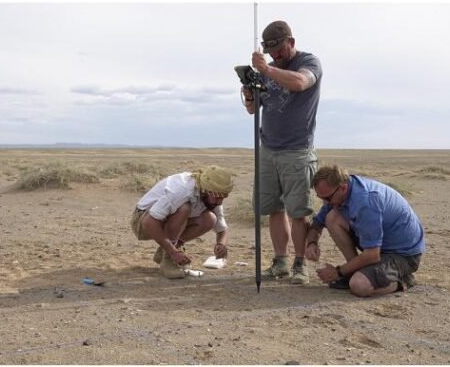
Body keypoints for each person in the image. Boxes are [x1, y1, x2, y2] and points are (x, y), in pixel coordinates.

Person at [241, 20, 323, 286]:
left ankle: (301, 264)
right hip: (269, 149)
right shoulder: (268, 70)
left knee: (298, 211)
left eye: (279, 50)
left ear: (291, 42)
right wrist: (250, 94)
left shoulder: (309, 62)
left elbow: (300, 83)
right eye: (271, 52)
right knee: (273, 208)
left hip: (297, 150)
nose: (276, 55)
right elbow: (253, 110)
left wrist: (266, 68)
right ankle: (281, 262)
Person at [305, 165, 426, 297]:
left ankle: (403, 280)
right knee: (332, 218)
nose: (325, 202)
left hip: (403, 255)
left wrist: (339, 272)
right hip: (379, 248)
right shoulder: (339, 194)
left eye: (327, 198)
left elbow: (372, 255)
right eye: (320, 197)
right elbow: (317, 224)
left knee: (359, 285)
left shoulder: (366, 202)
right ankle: (355, 271)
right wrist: (312, 243)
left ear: (343, 188)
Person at [130, 166, 234, 279]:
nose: (220, 202)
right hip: (142, 221)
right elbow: (149, 222)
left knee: (210, 219)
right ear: (206, 190)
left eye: (224, 197)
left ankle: (166, 252)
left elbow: (221, 227)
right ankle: (169, 259)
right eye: (218, 197)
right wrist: (173, 252)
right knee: (184, 208)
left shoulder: (212, 195)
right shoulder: (182, 190)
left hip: (158, 221)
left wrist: (221, 244)